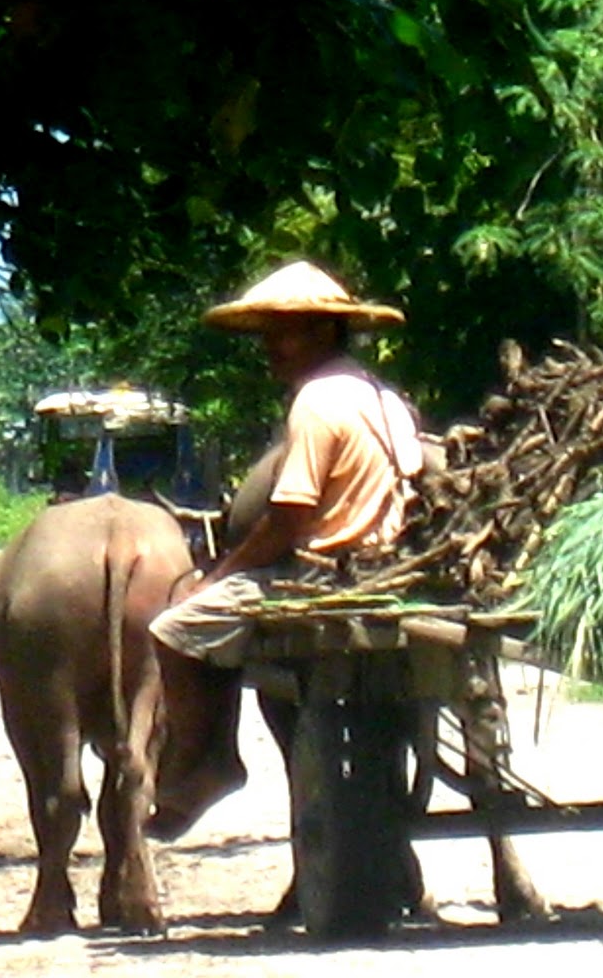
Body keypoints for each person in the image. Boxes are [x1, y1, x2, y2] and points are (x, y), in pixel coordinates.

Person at [146, 260, 422, 839]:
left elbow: (289, 517)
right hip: (389, 567)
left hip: (325, 572)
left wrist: (218, 575)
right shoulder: (384, 397)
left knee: (175, 628)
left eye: (284, 332)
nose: (271, 347)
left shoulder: (316, 402)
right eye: (267, 333)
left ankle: (206, 762)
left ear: (324, 331)